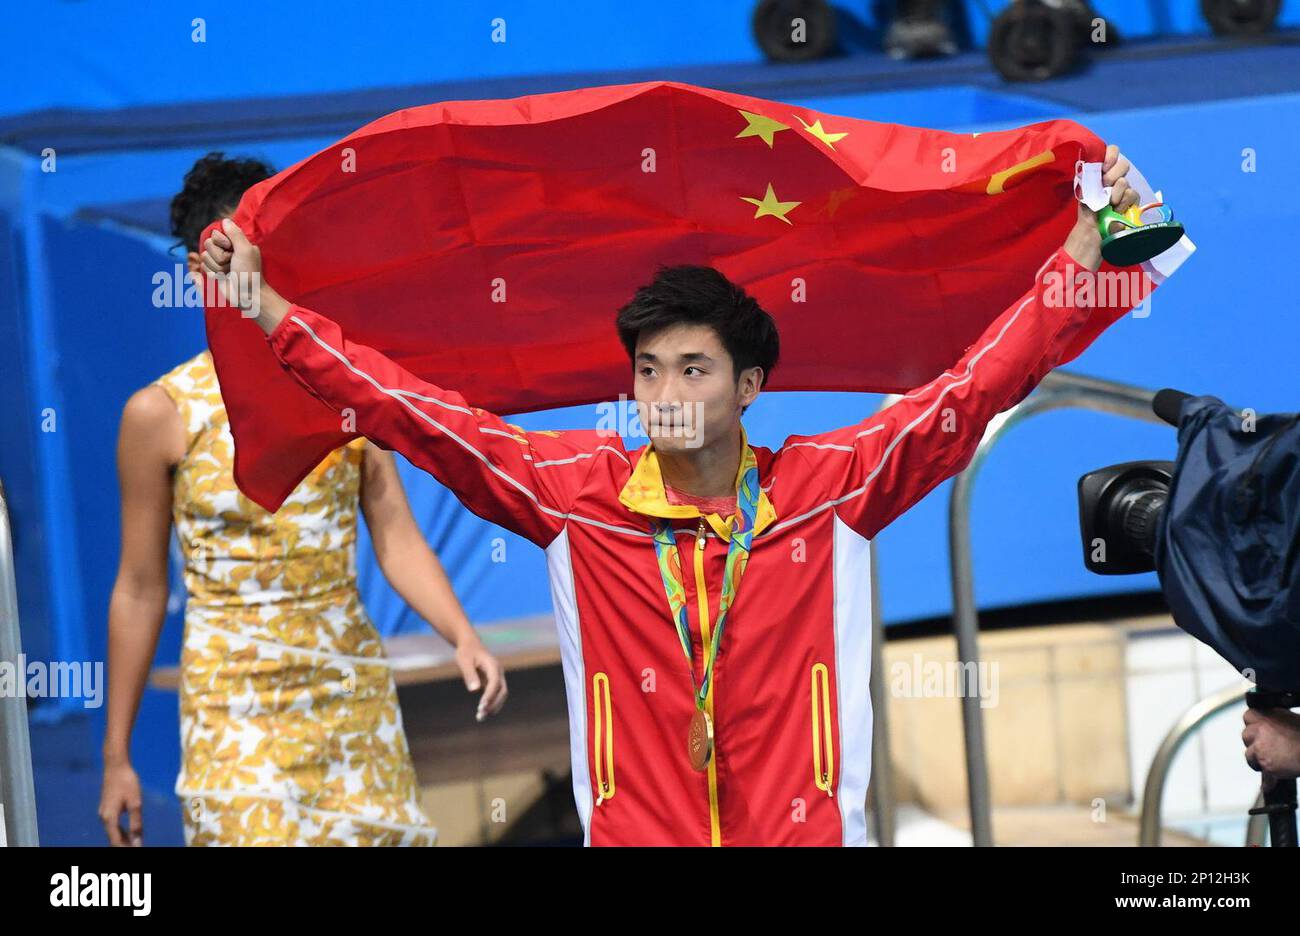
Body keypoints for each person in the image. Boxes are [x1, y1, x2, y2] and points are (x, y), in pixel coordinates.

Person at [201, 144, 1142, 846]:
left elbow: (975, 387)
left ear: (749, 387)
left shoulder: (832, 489)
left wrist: (1087, 252)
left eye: (695, 370)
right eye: (649, 372)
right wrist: (269, 310)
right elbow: (412, 411)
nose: (666, 396)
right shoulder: (573, 496)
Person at [101, 153, 507, 847]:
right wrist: (116, 757)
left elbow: (396, 535)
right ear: (199, 272)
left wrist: (462, 633)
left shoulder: (346, 385)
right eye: (228, 258)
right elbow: (139, 588)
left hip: (349, 694)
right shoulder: (158, 414)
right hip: (231, 709)